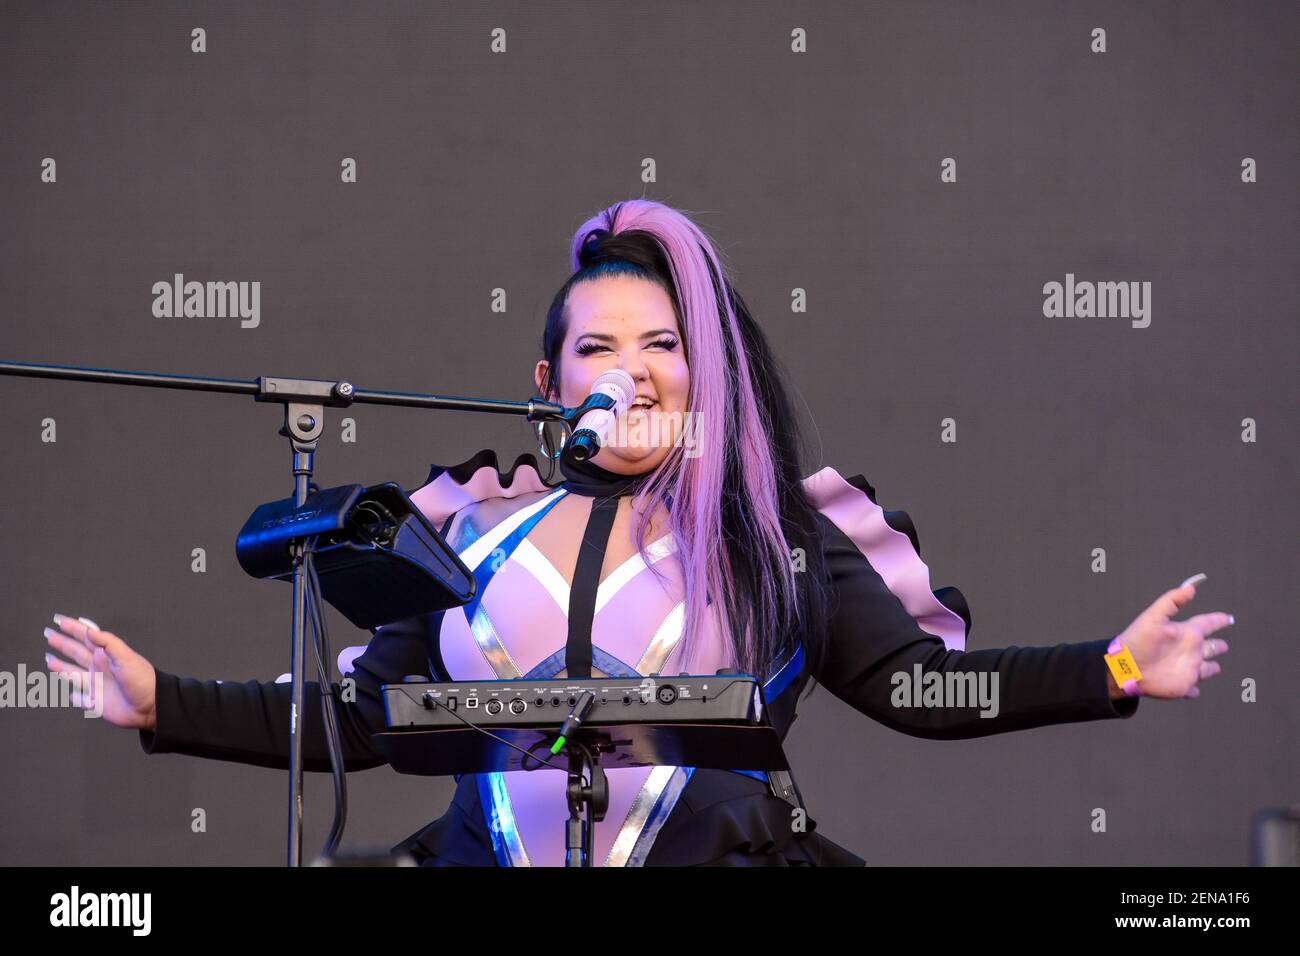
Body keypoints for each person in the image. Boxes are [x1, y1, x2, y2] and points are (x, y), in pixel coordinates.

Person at [42, 199, 1234, 866]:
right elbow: (362, 722)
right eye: (599, 349)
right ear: (547, 378)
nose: (634, 372)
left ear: (702, 363)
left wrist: (1113, 668)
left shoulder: (771, 537)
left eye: (662, 344)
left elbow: (923, 688)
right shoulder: (471, 529)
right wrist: (164, 700)